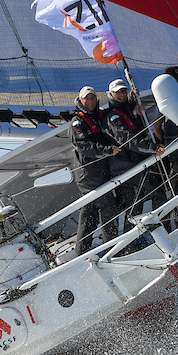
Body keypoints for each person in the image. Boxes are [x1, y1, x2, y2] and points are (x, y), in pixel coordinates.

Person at [104, 78, 165, 233]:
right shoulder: (113, 117)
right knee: (157, 193)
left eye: (124, 91)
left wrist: (135, 105)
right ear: (111, 94)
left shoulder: (127, 111)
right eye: (118, 93)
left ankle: (133, 241)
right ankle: (163, 230)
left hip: (134, 164)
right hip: (126, 167)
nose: (122, 94)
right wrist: (153, 147)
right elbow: (129, 140)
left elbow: (139, 131)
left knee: (136, 203)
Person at [70, 86, 121, 255]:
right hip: (88, 175)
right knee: (108, 206)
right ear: (80, 100)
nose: (90, 101)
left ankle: (81, 252)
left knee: (89, 213)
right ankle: (112, 250)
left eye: (93, 98)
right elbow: (84, 146)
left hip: (100, 172)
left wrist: (135, 101)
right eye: (87, 98)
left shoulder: (98, 116)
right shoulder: (78, 122)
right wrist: (107, 150)